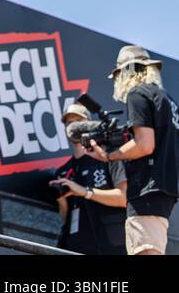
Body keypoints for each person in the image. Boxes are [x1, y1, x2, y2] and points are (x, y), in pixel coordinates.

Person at [83, 46, 179, 255]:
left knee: (145, 250)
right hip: (164, 188)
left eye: (118, 75)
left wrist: (109, 156)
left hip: (146, 188)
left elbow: (144, 144)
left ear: (126, 72)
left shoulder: (138, 93)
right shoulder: (167, 99)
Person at [50, 102, 127, 255]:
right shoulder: (63, 171)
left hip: (110, 245)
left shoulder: (107, 157)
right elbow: (66, 217)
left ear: (89, 124)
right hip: (74, 245)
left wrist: (85, 191)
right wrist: (61, 199)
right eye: (69, 123)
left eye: (79, 121)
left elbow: (123, 198)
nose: (74, 126)